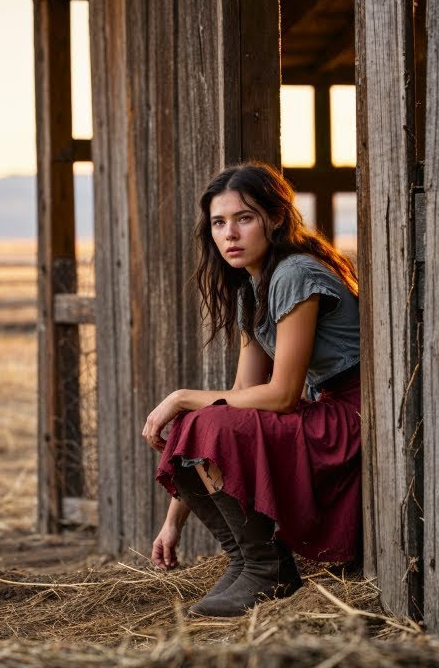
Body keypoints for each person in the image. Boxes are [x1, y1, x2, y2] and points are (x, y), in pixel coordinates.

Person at [141, 162, 361, 618]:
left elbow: (280, 395)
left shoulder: (296, 273)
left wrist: (181, 397)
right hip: (327, 410)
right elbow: (242, 394)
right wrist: (171, 523)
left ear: (276, 218)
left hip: (354, 415)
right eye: (219, 223)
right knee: (202, 420)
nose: (230, 235)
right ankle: (248, 561)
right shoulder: (252, 290)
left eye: (244, 218)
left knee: (202, 416)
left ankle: (268, 570)